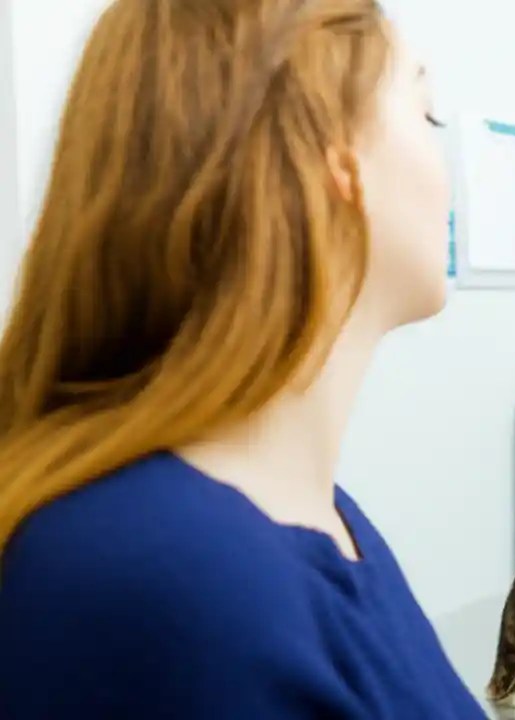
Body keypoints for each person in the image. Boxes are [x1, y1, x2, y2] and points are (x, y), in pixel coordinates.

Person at [0, 1, 485, 717]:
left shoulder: (331, 526)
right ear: (334, 157)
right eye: (428, 116)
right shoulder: (152, 575)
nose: (447, 171)